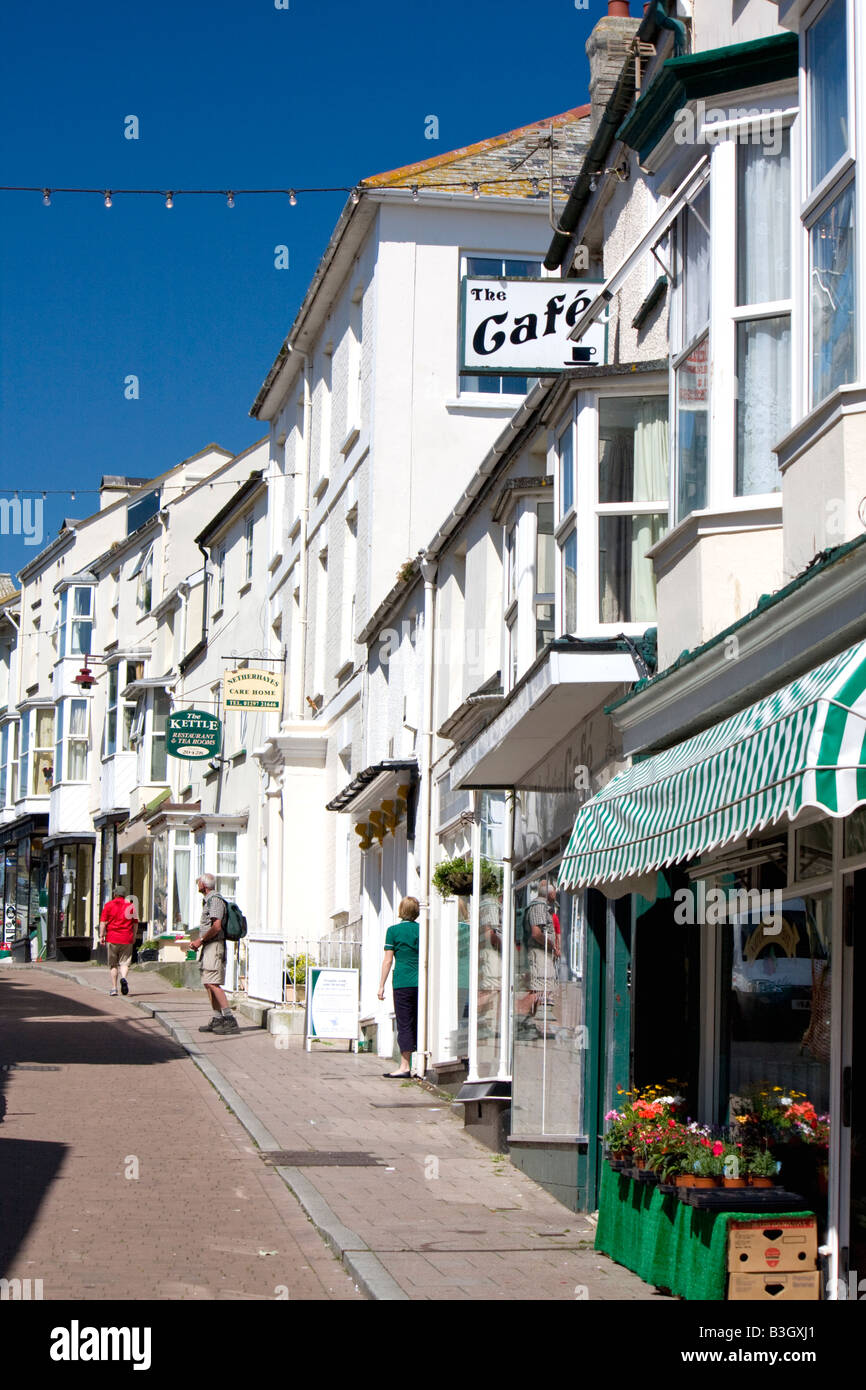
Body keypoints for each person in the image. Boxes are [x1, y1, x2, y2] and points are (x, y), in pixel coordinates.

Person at [191, 874, 239, 1034]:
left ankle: (229, 1019)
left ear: (203, 884)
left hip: (214, 945)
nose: (197, 883)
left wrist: (201, 940)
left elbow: (217, 926)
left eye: (199, 881)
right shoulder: (208, 900)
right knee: (208, 982)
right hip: (208, 945)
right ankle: (218, 1018)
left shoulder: (215, 900)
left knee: (213, 982)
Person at [378, 896, 420, 1077]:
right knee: (419, 1021)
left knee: (405, 1023)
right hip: (421, 982)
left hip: (402, 982)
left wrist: (381, 985)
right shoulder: (422, 930)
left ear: (401, 910)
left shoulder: (393, 931)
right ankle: (421, 1061)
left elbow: (388, 961)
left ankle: (405, 1065)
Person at [99, 886, 138, 996]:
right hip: (127, 938)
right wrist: (134, 936)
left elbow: (103, 922)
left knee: (113, 964)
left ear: (115, 894)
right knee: (125, 963)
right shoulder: (130, 906)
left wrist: (101, 936)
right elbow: (135, 923)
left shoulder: (108, 905)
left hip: (112, 937)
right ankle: (124, 978)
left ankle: (114, 988)